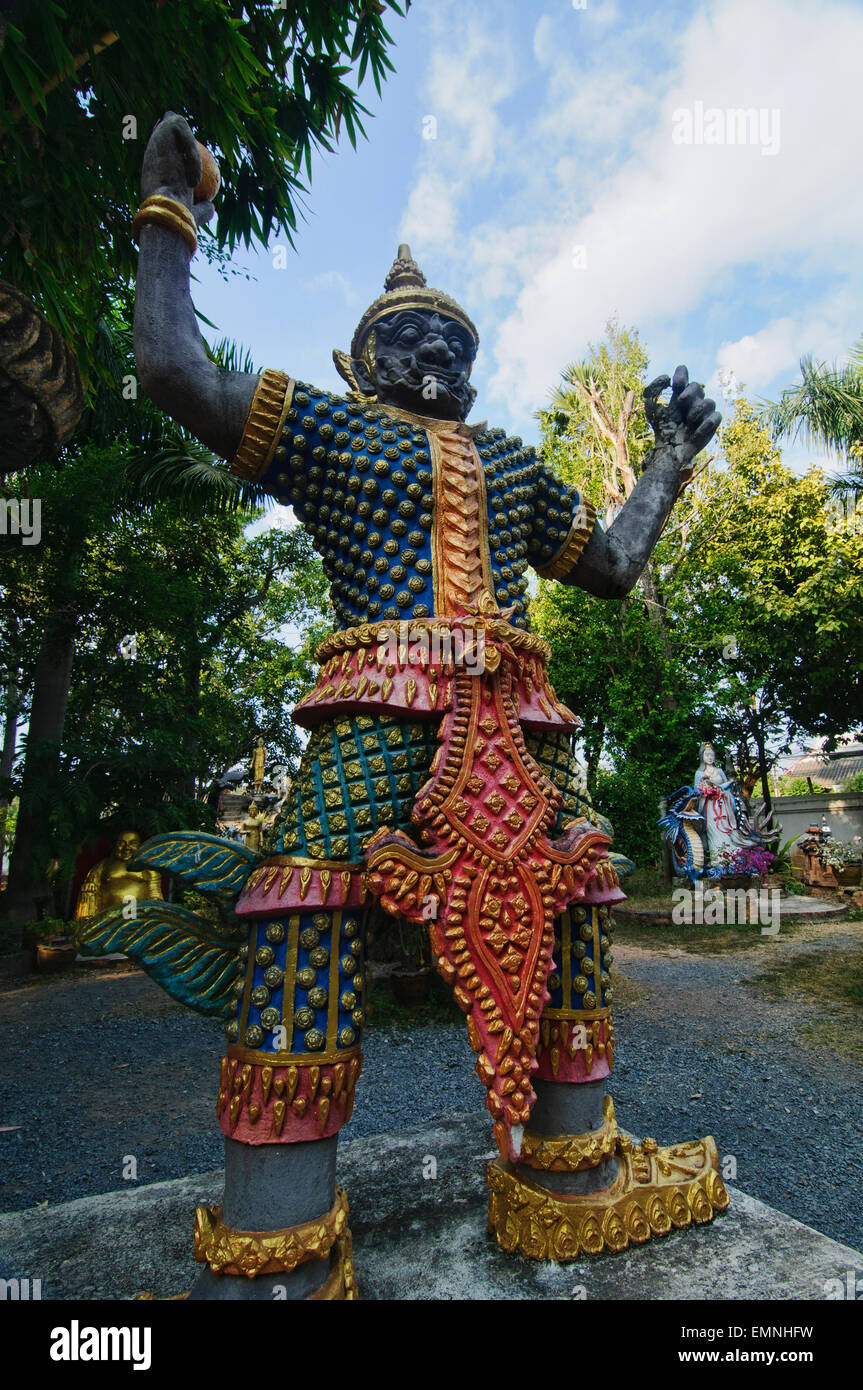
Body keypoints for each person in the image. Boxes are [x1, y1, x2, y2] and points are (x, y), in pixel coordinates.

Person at [128, 113, 724, 1297]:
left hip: (518, 717)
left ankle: (567, 1162)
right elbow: (172, 374)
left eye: (451, 338)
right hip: (372, 711)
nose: (431, 354)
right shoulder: (325, 426)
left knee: (580, 888)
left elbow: (605, 566)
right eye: (405, 339)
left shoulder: (507, 460)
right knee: (302, 907)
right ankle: (277, 1230)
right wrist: (166, 217)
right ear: (364, 363)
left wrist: (664, 460)